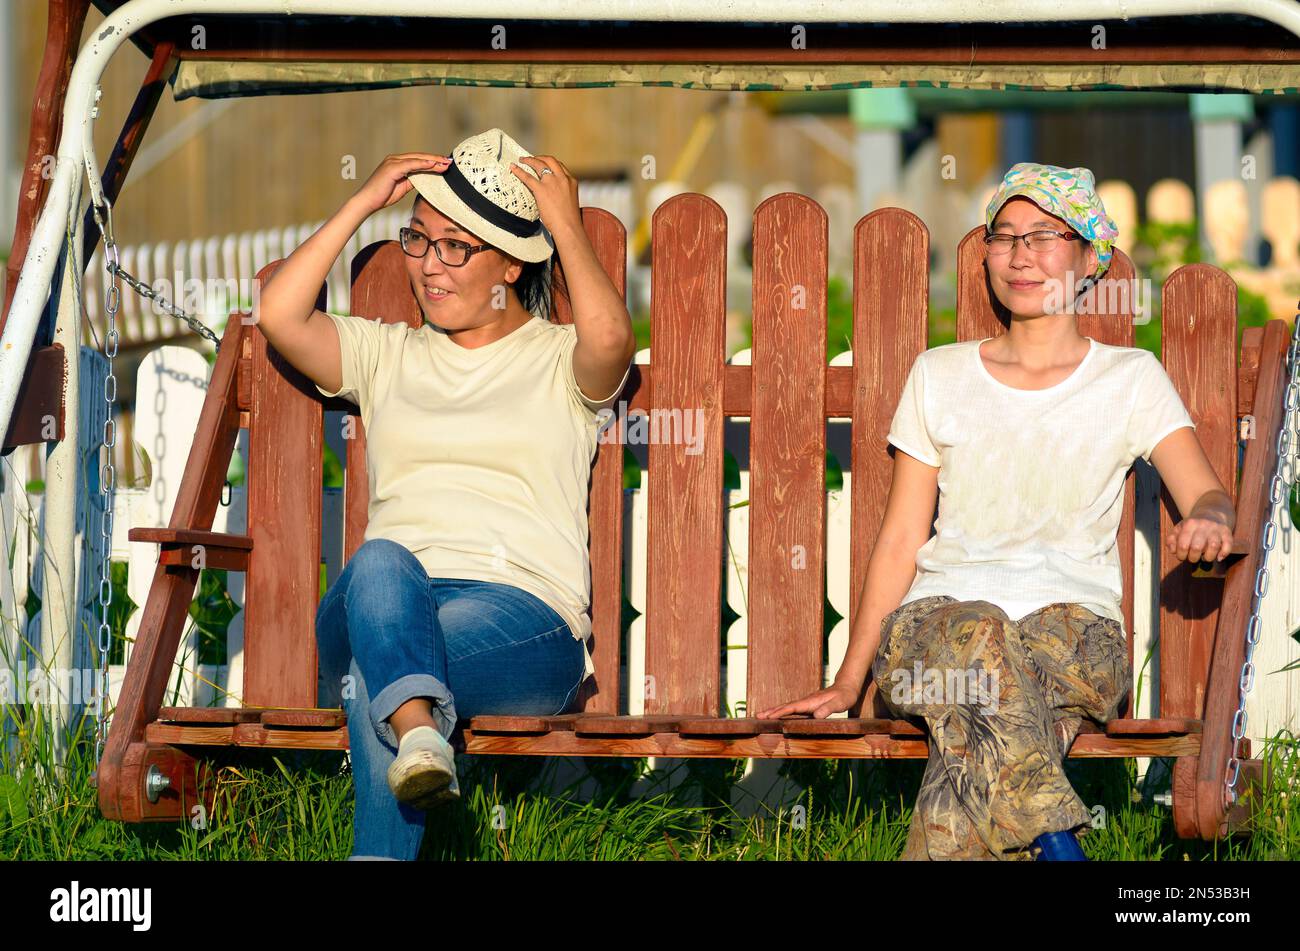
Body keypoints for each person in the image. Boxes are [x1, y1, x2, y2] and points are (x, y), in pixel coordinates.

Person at [756, 162, 1236, 861]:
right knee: (979, 638)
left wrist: (1212, 518)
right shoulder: (939, 374)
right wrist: (847, 679)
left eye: (1044, 235)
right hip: (935, 635)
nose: (1020, 254)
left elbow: (1208, 492)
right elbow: (900, 540)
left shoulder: (1130, 380)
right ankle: (1055, 840)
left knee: (974, 748)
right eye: (1003, 235)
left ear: (1086, 255)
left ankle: (1051, 840)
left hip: (1074, 637)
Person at [257, 128, 636, 860]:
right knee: (381, 563)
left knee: (385, 679)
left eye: (456, 247)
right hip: (383, 596)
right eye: (417, 239)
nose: (429, 266)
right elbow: (279, 315)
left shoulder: (561, 364)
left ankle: (416, 736)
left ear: (512, 262)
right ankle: (422, 735)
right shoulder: (386, 353)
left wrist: (564, 224)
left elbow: (613, 339)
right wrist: (363, 200)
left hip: (522, 619)